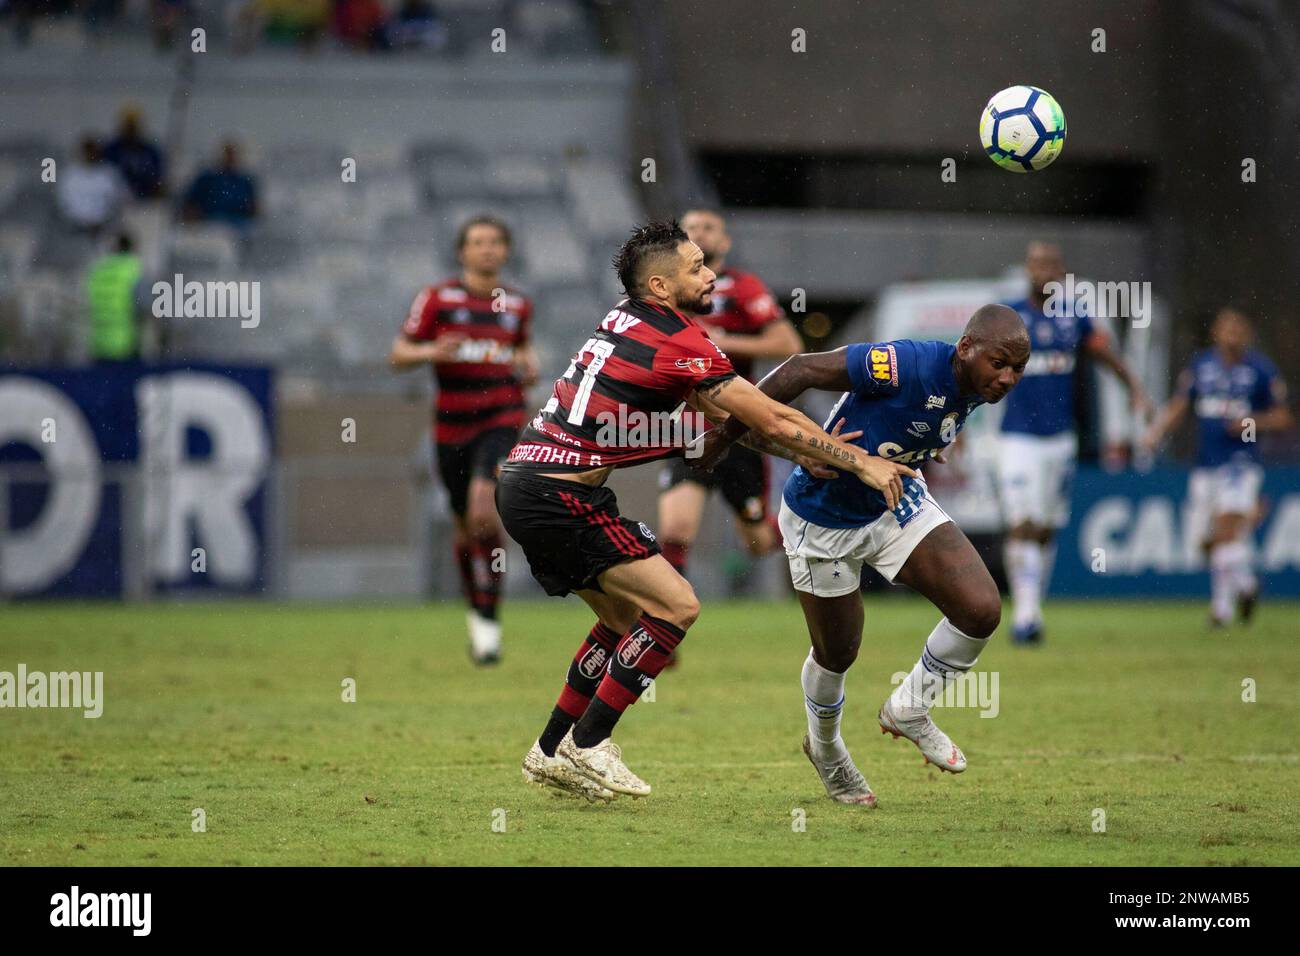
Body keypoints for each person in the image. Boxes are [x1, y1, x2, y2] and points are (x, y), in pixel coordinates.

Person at [496, 220, 913, 800]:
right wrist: (858, 461)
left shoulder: (627, 320)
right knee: (677, 606)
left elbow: (730, 424)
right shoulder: (677, 340)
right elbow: (768, 414)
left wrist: (815, 456)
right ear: (662, 286)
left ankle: (548, 753)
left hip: (529, 482)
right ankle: (588, 744)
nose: (711, 273)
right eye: (696, 267)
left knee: (620, 621)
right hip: (557, 494)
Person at [697, 307, 1030, 805]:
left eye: (1017, 369)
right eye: (999, 363)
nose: (1006, 378)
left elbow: (917, 415)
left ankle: (910, 709)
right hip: (822, 516)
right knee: (838, 653)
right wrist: (727, 436)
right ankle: (826, 748)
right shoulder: (903, 361)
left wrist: (928, 441)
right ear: (965, 348)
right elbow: (800, 369)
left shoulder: (974, 385)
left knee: (980, 608)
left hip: (894, 500)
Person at [389, 216, 538, 664]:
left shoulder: (517, 303)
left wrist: (528, 365)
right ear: (462, 251)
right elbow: (398, 354)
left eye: (495, 241)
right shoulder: (437, 298)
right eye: (478, 242)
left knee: (482, 509)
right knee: (463, 526)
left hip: (502, 417)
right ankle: (478, 615)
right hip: (451, 425)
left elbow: (522, 350)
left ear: (506, 250)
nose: (488, 249)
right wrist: (432, 351)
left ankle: (490, 625)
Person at [997, 241, 1150, 644]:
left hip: (1060, 440)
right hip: (1017, 438)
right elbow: (972, 366)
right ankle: (1025, 617)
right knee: (1022, 524)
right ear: (1026, 270)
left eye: (1051, 264)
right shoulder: (1008, 318)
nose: (1044, 271)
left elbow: (1105, 354)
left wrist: (1135, 388)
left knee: (1045, 529)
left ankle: (1032, 610)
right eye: (1037, 264)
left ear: (1062, 273)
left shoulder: (1074, 316)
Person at [656, 208, 801, 586]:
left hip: (738, 421)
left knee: (757, 540)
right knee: (675, 529)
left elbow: (788, 343)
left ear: (725, 242)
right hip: (688, 423)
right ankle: (668, 627)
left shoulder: (742, 287)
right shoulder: (666, 290)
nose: (699, 234)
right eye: (691, 228)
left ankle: (811, 539)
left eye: (709, 228)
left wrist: (724, 342)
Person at [1142, 308, 1292, 626]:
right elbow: (1181, 404)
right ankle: (1247, 584)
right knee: (1205, 543)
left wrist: (1250, 422)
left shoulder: (1261, 370)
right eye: (1227, 328)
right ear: (1216, 332)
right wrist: (1156, 433)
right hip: (1205, 464)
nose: (1233, 334)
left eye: (1239, 328)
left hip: (1241, 463)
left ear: (1248, 334)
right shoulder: (1202, 365)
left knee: (1225, 530)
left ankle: (1220, 610)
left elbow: (1282, 417)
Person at [84, 233, 147, 362]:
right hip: (126, 343)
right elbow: (143, 305)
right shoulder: (134, 270)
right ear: (133, 248)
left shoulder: (98, 271)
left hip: (98, 342)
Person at [57, 136, 129, 234]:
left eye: (92, 151)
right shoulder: (69, 175)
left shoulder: (110, 173)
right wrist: (83, 222)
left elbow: (118, 200)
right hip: (75, 229)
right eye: (86, 151)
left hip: (105, 229)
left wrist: (102, 221)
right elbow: (64, 204)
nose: (89, 154)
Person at [181, 141, 258, 230]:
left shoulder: (244, 181)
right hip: (210, 223)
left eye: (232, 154)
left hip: (238, 225)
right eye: (227, 154)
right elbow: (190, 202)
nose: (229, 158)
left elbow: (253, 208)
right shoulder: (207, 178)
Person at [103, 106, 166, 199]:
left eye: (133, 126)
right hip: (118, 198)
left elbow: (158, 176)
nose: (131, 130)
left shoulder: (150, 151)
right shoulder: (111, 150)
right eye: (128, 126)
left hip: (145, 198)